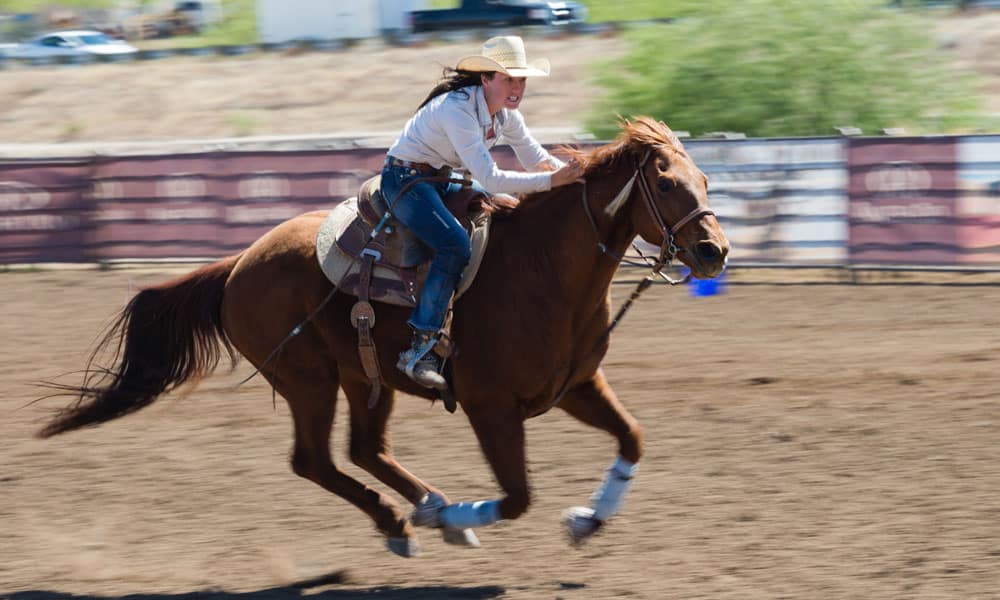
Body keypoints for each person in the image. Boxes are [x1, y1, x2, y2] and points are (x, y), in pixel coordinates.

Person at [381, 35, 585, 390]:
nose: (518, 87)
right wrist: (554, 180)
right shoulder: (455, 109)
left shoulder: (505, 115)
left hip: (438, 179)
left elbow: (535, 156)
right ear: (486, 79)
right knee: (454, 245)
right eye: (509, 78)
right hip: (405, 181)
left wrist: (581, 178)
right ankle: (420, 347)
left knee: (506, 210)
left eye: (521, 80)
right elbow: (489, 177)